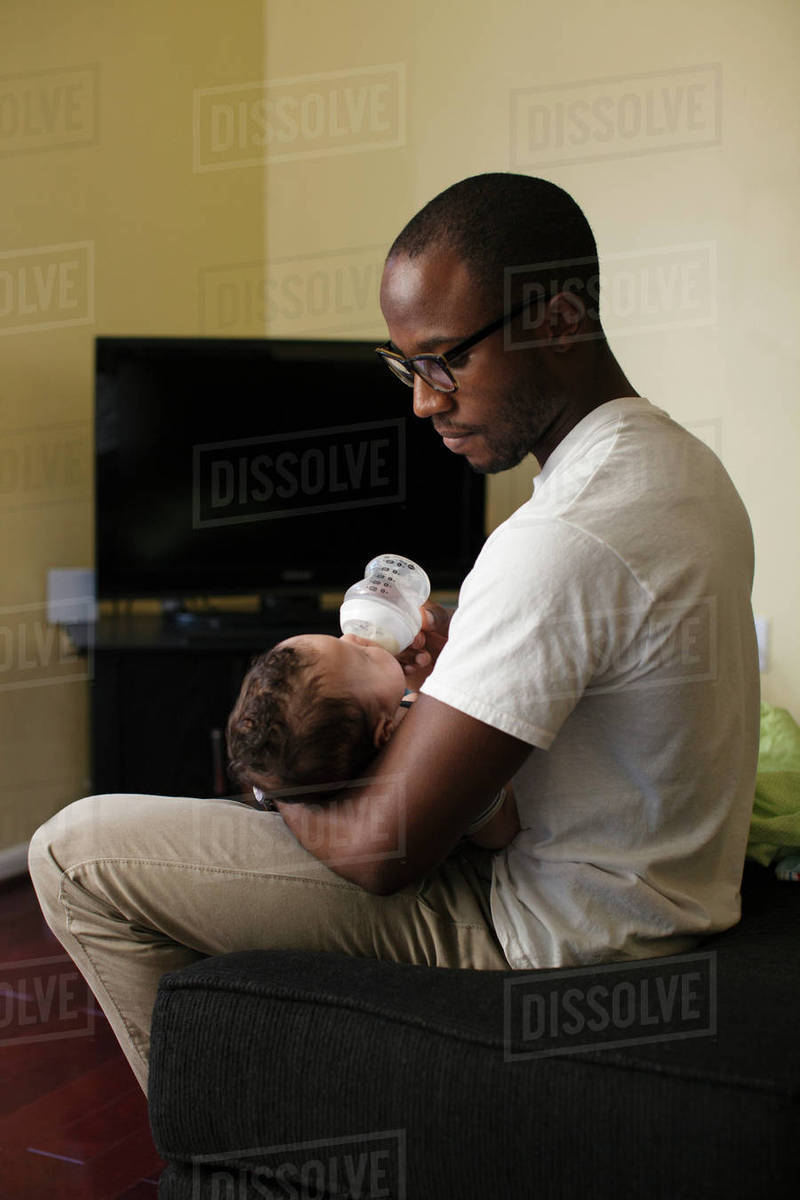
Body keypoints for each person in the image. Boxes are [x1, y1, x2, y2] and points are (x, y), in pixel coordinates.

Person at [27, 173, 760, 1097]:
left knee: (71, 852)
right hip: (665, 898)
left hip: (549, 936)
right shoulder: (684, 469)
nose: (422, 401)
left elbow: (383, 852)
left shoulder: (561, 536)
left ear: (560, 317)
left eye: (446, 358)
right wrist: (470, 660)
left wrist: (268, 778)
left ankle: (228, 1133)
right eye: (406, 364)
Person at [226, 632, 520, 851]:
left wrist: (415, 686)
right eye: (362, 655)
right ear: (385, 731)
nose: (356, 636)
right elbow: (501, 832)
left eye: (339, 639)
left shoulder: (292, 773)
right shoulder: (431, 762)